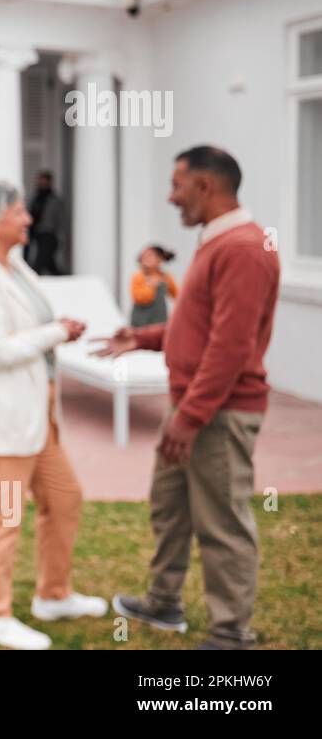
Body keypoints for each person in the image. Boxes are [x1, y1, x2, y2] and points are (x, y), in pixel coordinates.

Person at [95, 146, 279, 650]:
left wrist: (190, 417)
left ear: (204, 186)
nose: (170, 197)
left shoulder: (244, 248)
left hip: (218, 412)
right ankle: (163, 602)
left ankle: (231, 635)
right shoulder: (216, 241)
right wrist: (144, 337)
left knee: (222, 521)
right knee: (170, 507)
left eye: (176, 185)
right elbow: (198, 326)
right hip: (194, 407)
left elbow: (230, 345)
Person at [0, 179, 106, 650]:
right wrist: (57, 332)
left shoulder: (15, 268)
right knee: (1, 519)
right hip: (1, 419)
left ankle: (53, 595)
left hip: (38, 418)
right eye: (18, 211)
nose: (29, 218)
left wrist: (56, 330)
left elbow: (26, 332)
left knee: (65, 499)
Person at [25, 170, 66, 275]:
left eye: (44, 181)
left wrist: (60, 237)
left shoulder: (54, 200)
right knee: (48, 263)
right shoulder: (35, 198)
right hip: (35, 232)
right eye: (40, 181)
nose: (42, 184)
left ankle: (34, 277)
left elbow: (60, 220)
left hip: (48, 234)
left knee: (41, 261)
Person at [129, 244, 179, 327]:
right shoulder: (138, 277)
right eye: (144, 256)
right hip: (141, 323)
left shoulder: (165, 277)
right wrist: (150, 287)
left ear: (160, 259)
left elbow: (178, 295)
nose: (147, 258)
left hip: (160, 321)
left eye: (150, 256)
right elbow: (138, 298)